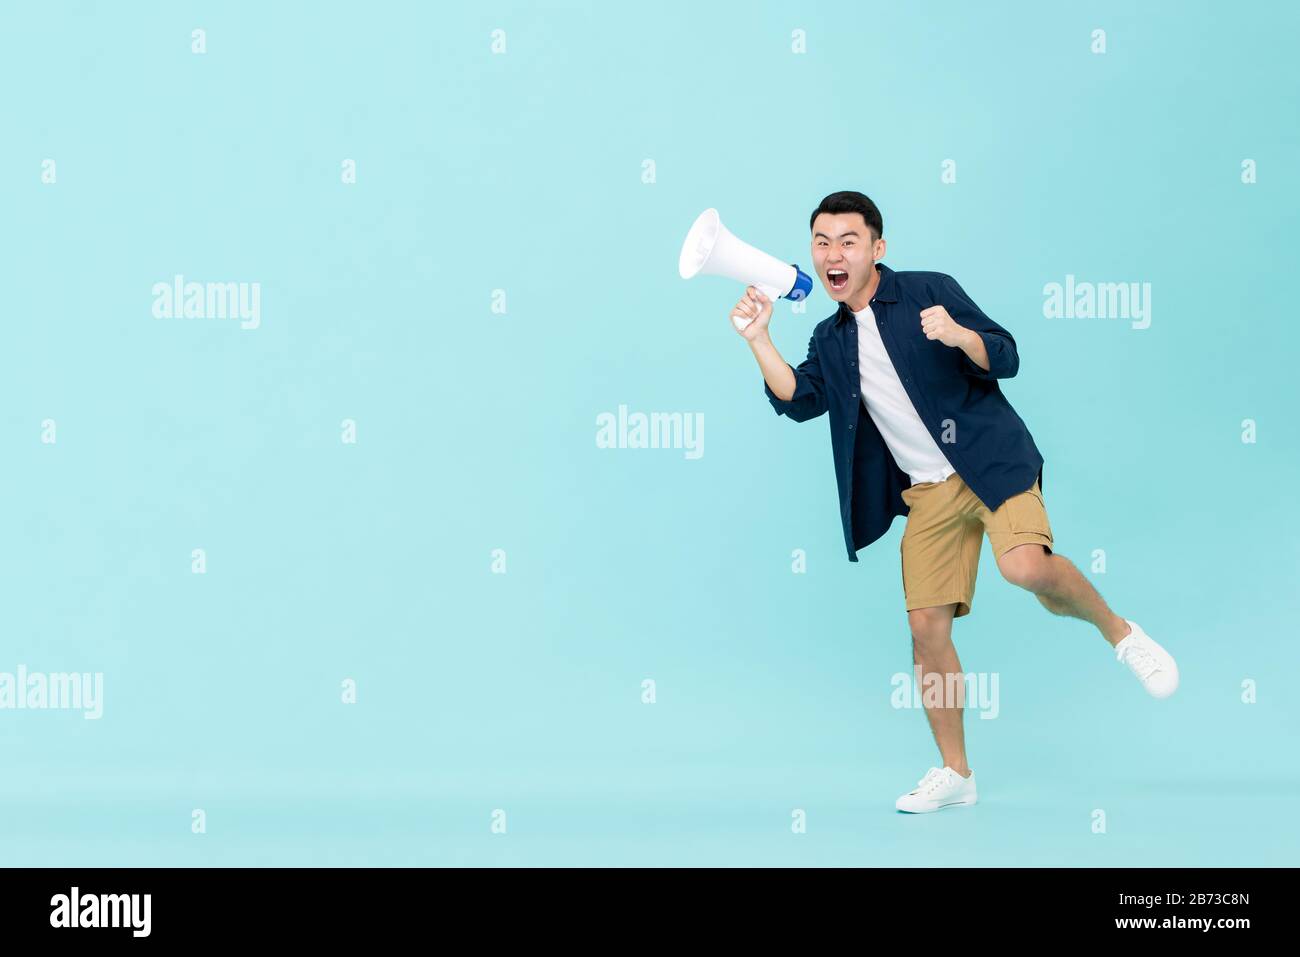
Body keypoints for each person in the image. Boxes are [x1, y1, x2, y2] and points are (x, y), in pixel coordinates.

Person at [736, 190, 1179, 814]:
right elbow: (800, 400)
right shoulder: (830, 339)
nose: (833, 254)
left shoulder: (927, 291)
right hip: (929, 493)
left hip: (990, 462)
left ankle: (1122, 633)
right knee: (924, 629)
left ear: (877, 249)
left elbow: (1006, 355)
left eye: (848, 241)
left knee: (1024, 566)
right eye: (821, 242)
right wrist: (758, 339)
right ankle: (957, 773)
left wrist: (958, 333)